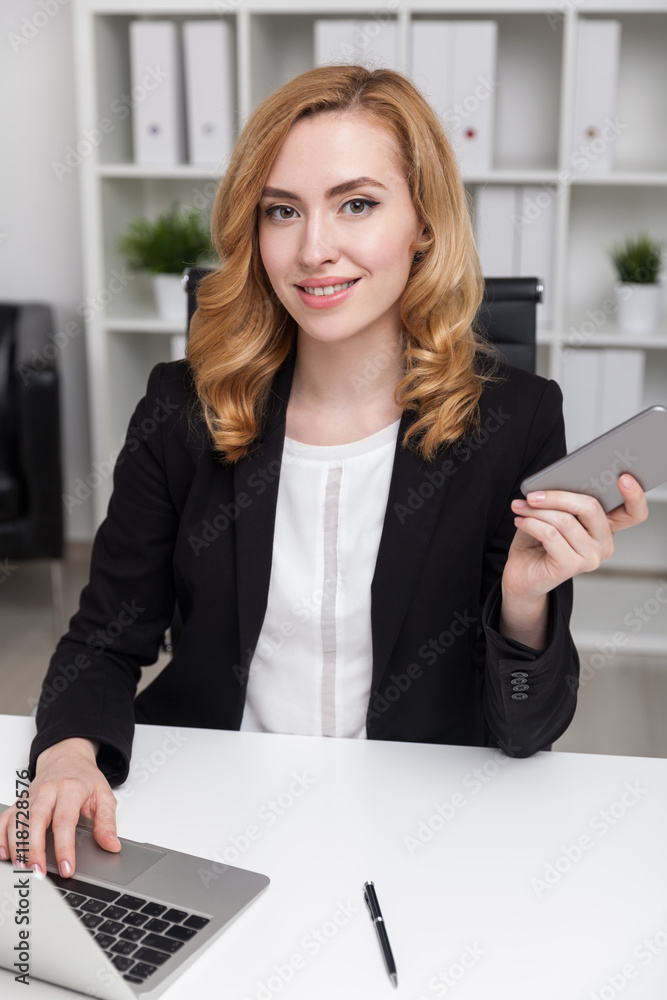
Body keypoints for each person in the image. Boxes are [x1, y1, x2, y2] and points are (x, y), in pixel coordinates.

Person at [0, 65, 647, 877]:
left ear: (422, 223)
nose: (312, 250)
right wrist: (65, 756)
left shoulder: (512, 419)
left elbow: (527, 731)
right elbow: (104, 637)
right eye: (282, 210)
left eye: (357, 203)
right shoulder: (183, 407)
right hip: (211, 808)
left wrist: (523, 603)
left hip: (413, 827)